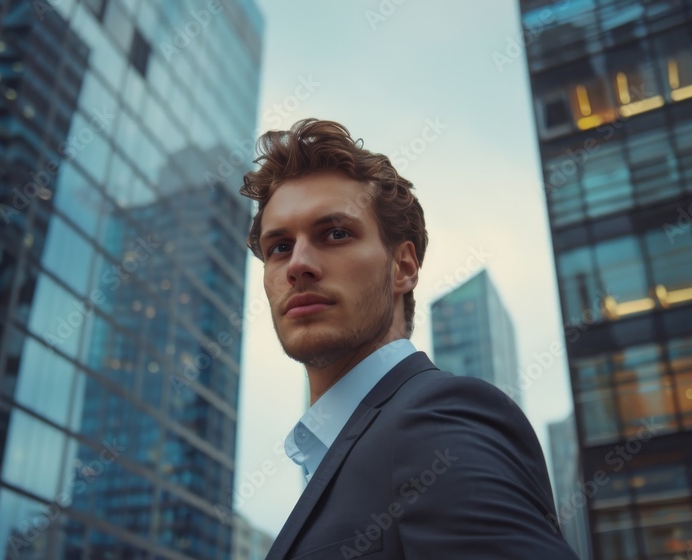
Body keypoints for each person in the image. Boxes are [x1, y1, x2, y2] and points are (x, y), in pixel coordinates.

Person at [240, 119, 578, 559]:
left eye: (336, 233)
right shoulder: (341, 451)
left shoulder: (434, 418)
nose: (297, 265)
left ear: (403, 267)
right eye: (280, 247)